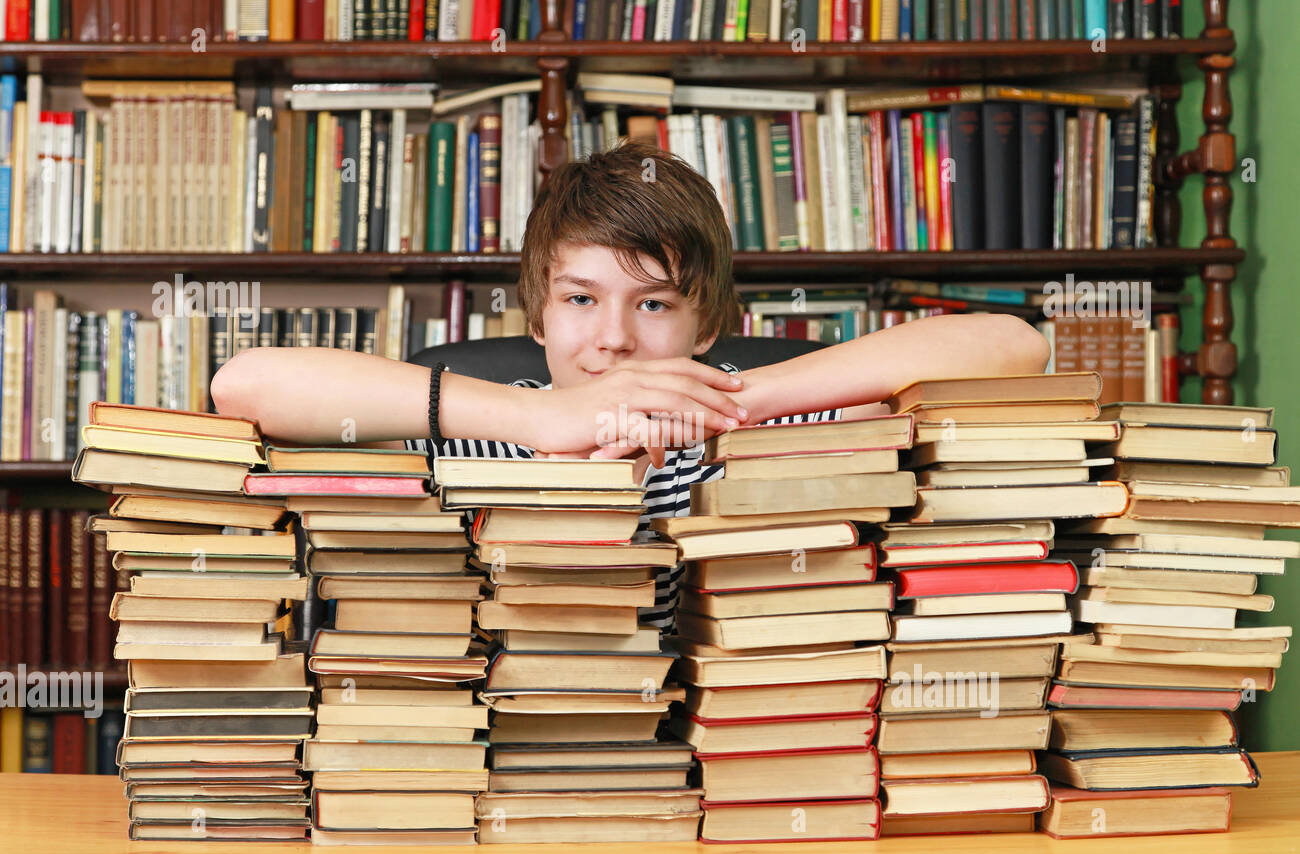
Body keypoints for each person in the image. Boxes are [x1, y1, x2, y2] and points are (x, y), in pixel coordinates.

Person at [212, 139, 1051, 632]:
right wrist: (538, 421)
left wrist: (737, 401)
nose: (613, 337)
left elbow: (1013, 348)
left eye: (654, 302)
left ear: (707, 323)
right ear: (538, 318)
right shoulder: (471, 426)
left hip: (724, 769)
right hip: (490, 762)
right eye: (581, 300)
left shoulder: (753, 422)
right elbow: (243, 384)